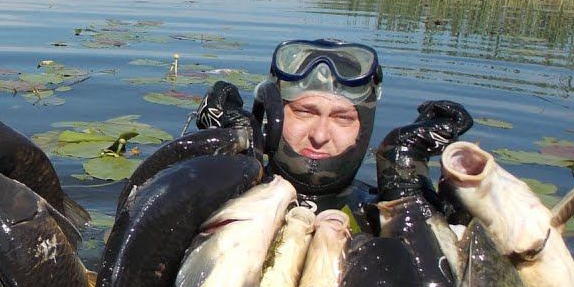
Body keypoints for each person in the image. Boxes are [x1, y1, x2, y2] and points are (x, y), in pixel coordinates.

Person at [194, 38, 472, 226]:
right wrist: (224, 159)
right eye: (304, 112)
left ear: (364, 128)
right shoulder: (223, 199)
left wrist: (404, 179)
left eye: (342, 118)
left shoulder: (379, 213)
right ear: (271, 114)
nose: (320, 135)